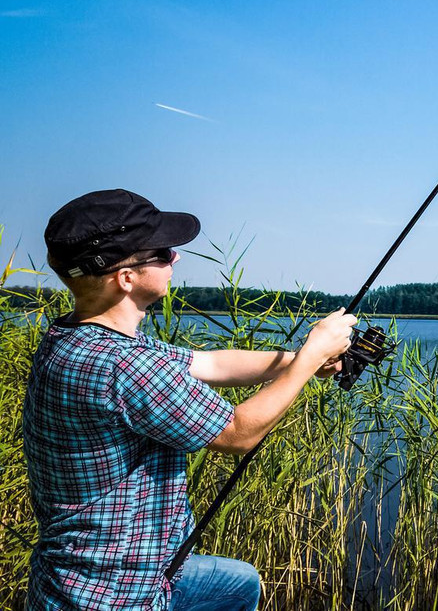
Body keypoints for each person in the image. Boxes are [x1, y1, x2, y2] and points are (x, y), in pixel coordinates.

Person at [24, 189, 356, 610]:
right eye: (162, 253)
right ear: (126, 277)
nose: (175, 259)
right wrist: (310, 356)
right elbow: (238, 433)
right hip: (114, 591)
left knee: (240, 584)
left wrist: (297, 362)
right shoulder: (126, 366)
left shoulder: (75, 339)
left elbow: (211, 363)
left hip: (111, 570)